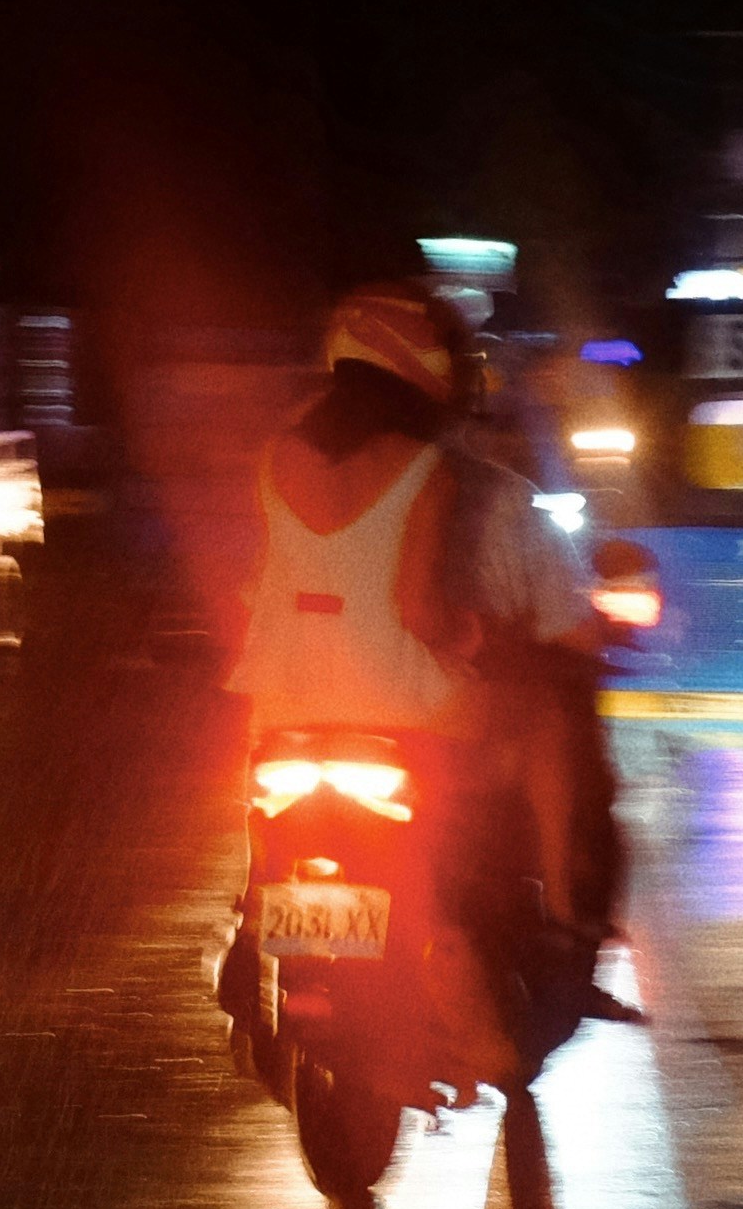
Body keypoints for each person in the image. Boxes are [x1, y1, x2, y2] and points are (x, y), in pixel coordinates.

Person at [226, 285, 616, 1056]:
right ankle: (568, 923)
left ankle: (248, 914)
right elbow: (417, 608)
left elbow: (266, 582)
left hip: (285, 703)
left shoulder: (276, 459)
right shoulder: (427, 471)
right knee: (540, 718)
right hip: (403, 704)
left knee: (258, 769)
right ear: (428, 378)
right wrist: (470, 637)